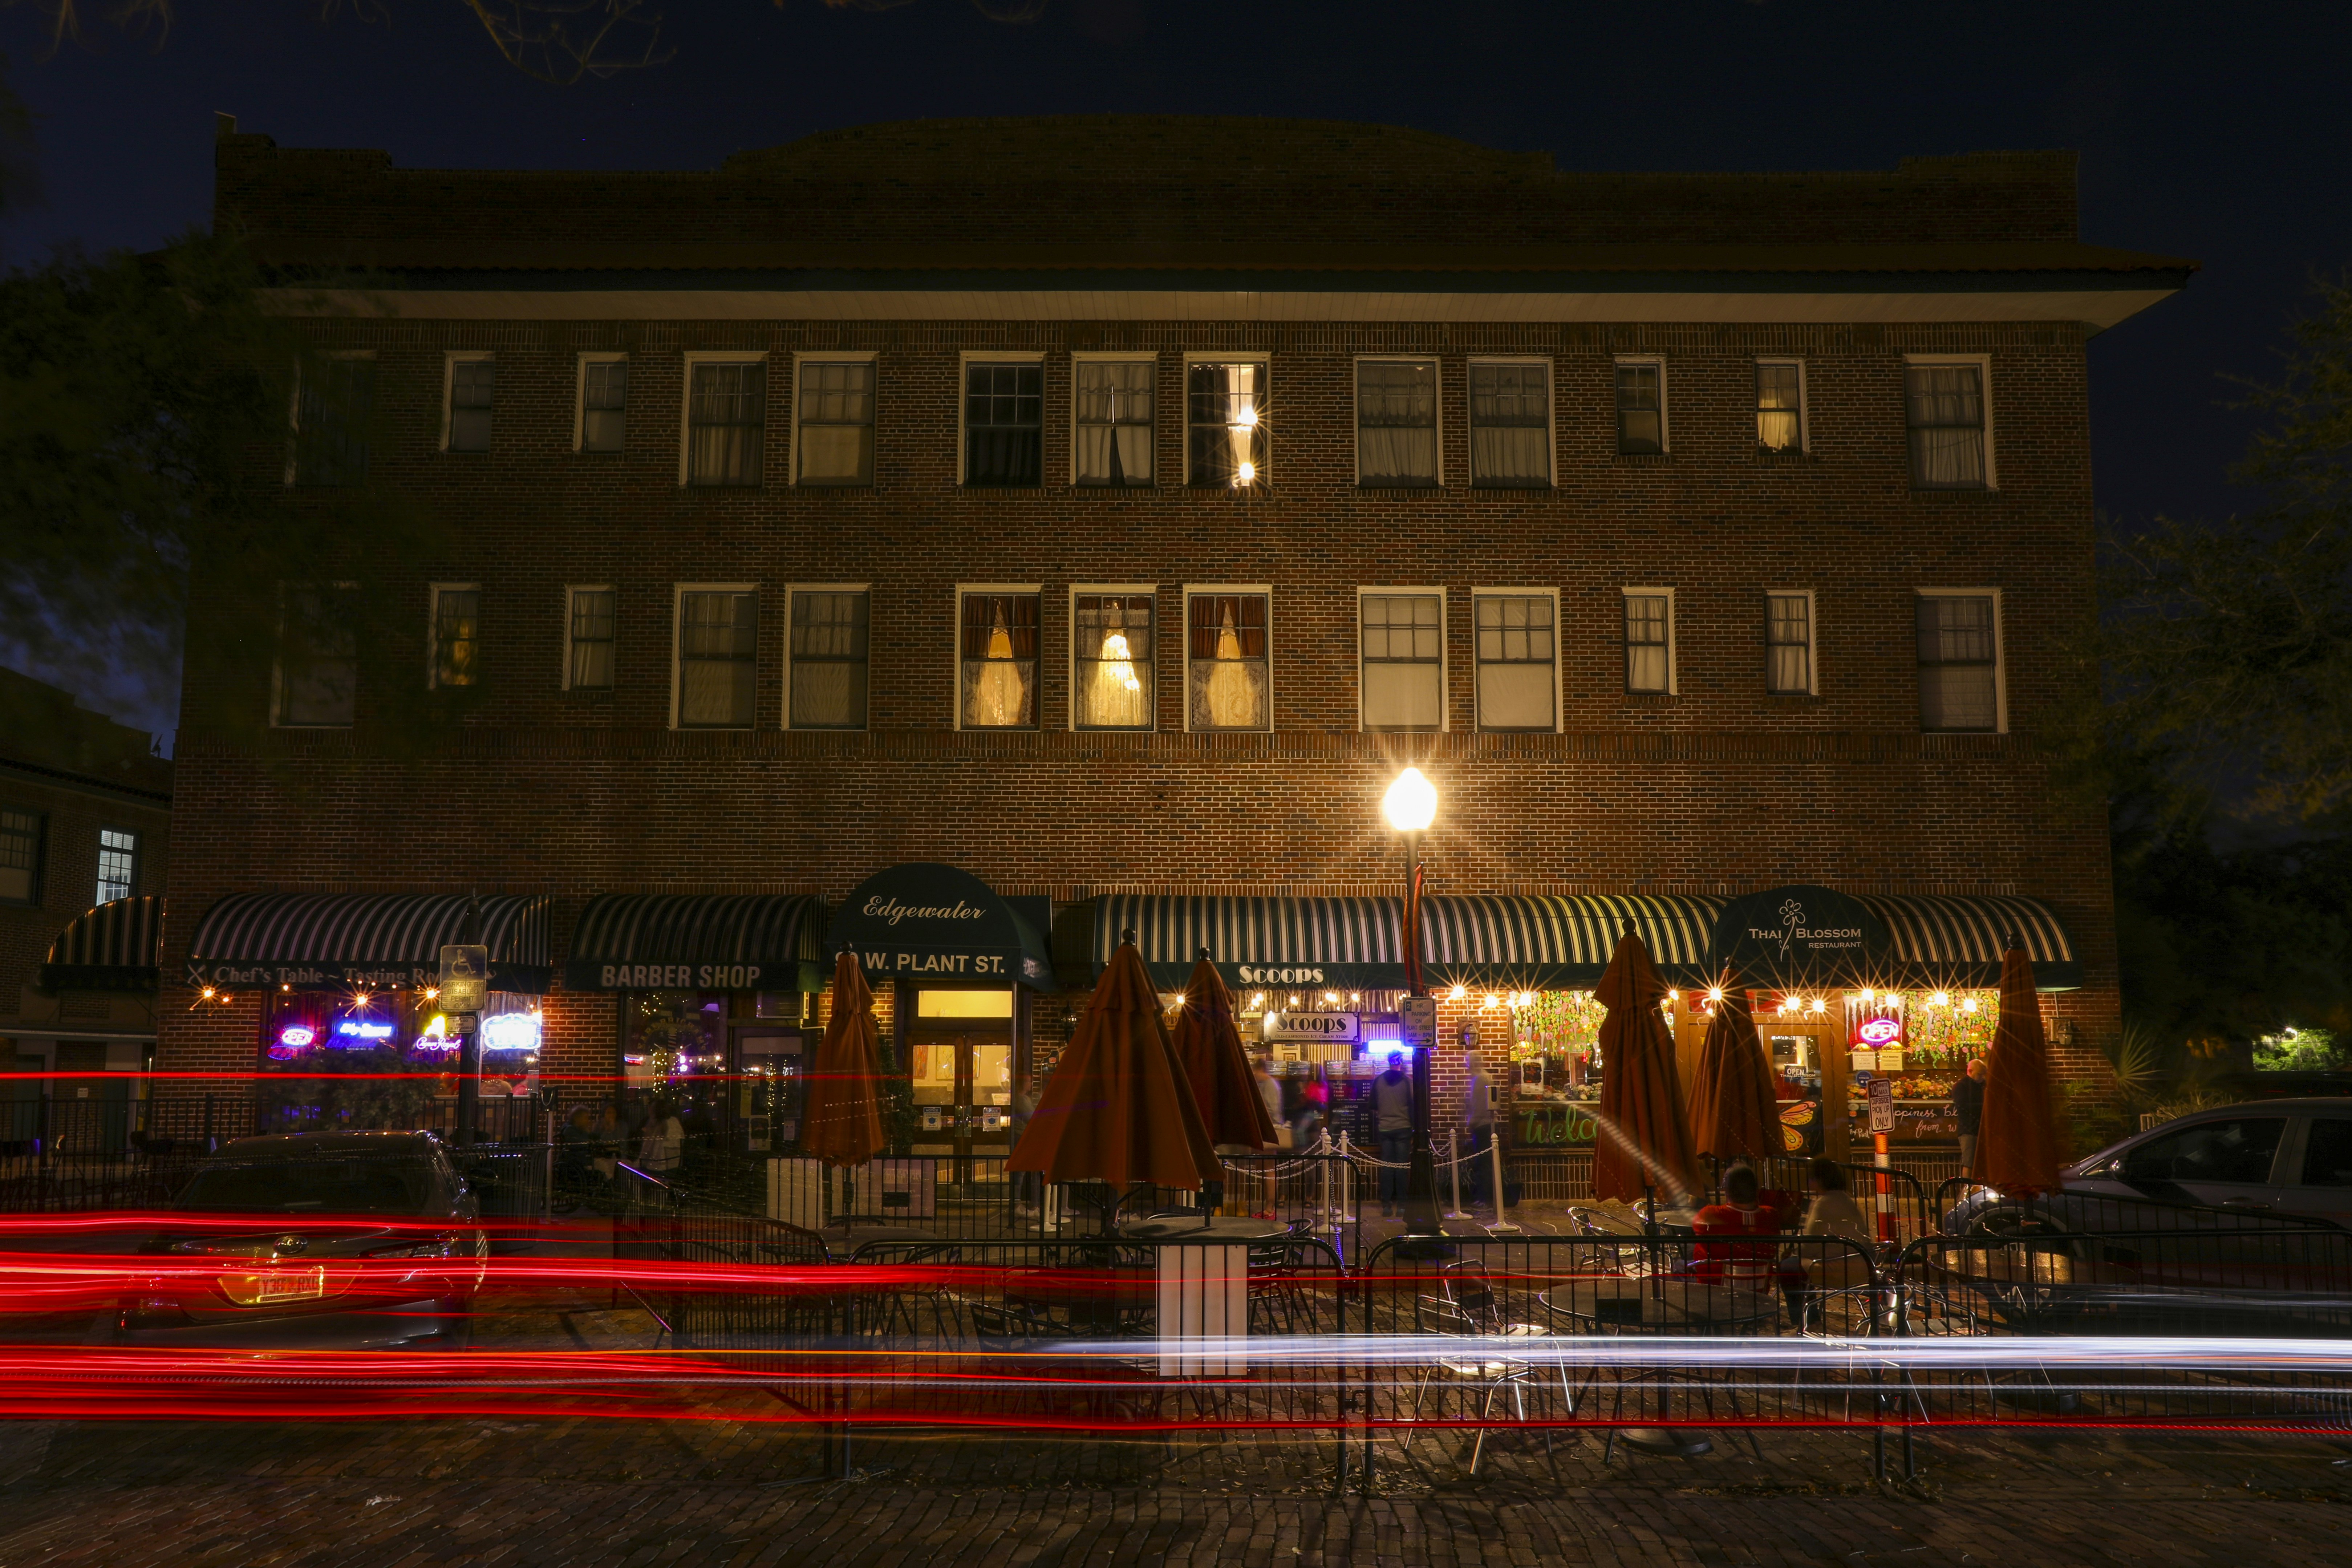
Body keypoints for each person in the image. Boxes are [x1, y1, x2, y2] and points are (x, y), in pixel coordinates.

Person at [1691, 1162, 1782, 1287]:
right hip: (1758, 1292)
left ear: (1727, 1190)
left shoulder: (1710, 1214)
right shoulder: (1771, 1216)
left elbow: (1696, 1227)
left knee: (1680, 1265)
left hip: (1713, 1291)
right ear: (1756, 1189)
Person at [1370, 1049, 1414, 1217]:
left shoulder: (1378, 1081)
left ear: (1389, 1062)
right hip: (1403, 1128)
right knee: (1402, 1167)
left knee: (1387, 1167)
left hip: (1385, 1129)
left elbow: (1373, 1105)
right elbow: (1412, 1107)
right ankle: (1402, 1206)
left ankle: (1387, 1206)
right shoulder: (1407, 1082)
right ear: (1401, 1062)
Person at [1797, 1157, 1872, 1246]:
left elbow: (1811, 1241)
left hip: (1836, 1258)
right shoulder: (1846, 1200)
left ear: (1818, 1180)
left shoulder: (1822, 1204)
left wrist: (1795, 1252)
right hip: (1860, 1255)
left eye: (1811, 1177)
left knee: (1789, 1261)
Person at [1461, 1050, 1497, 1209]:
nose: (1466, 1064)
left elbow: (1480, 1105)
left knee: (1483, 1163)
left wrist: (1471, 1122)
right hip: (1482, 1125)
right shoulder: (1479, 1078)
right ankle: (1483, 1197)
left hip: (1483, 1126)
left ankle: (1485, 1198)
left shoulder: (1481, 1078)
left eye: (1468, 1060)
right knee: (1482, 1163)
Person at [1008, 1079, 1040, 1215]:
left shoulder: (1023, 1099)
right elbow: (1032, 1117)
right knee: (1022, 1172)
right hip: (1022, 1137)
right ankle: (1018, 1205)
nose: (1031, 1084)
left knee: (1024, 1171)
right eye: (1028, 1081)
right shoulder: (1021, 1100)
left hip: (1023, 1137)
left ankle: (1021, 1205)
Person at [1952, 1057, 1988, 1175]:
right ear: (1970, 1071)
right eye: (1980, 1074)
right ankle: (1967, 1189)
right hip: (1969, 1129)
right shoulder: (1961, 1086)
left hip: (1981, 1129)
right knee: (1969, 1162)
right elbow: (1964, 1107)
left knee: (1977, 1163)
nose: (1982, 1077)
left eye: (1984, 1075)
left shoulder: (1983, 1085)